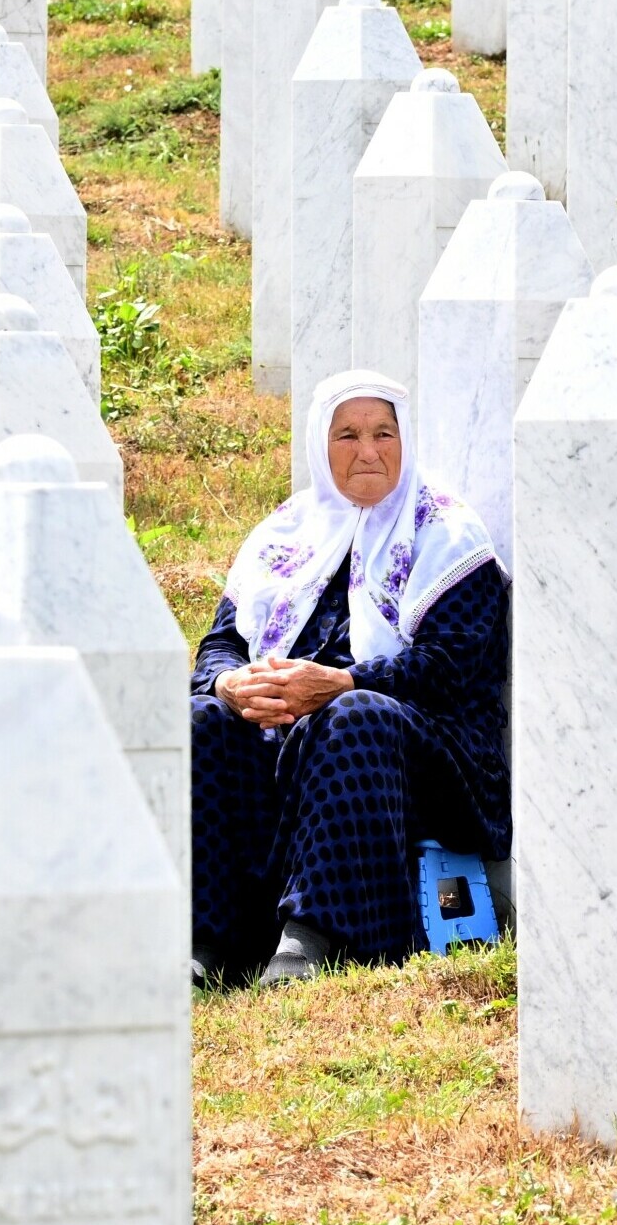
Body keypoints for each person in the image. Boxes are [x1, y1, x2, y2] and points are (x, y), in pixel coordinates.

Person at [191, 371, 511, 982]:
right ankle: (210, 941)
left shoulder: (447, 534)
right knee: (204, 720)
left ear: (404, 439)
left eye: (382, 433)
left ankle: (316, 937)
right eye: (347, 435)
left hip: (429, 749)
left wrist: (341, 683)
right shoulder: (287, 532)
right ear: (320, 445)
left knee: (352, 716)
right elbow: (222, 642)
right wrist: (231, 684)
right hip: (289, 725)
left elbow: (450, 666)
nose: (368, 451)